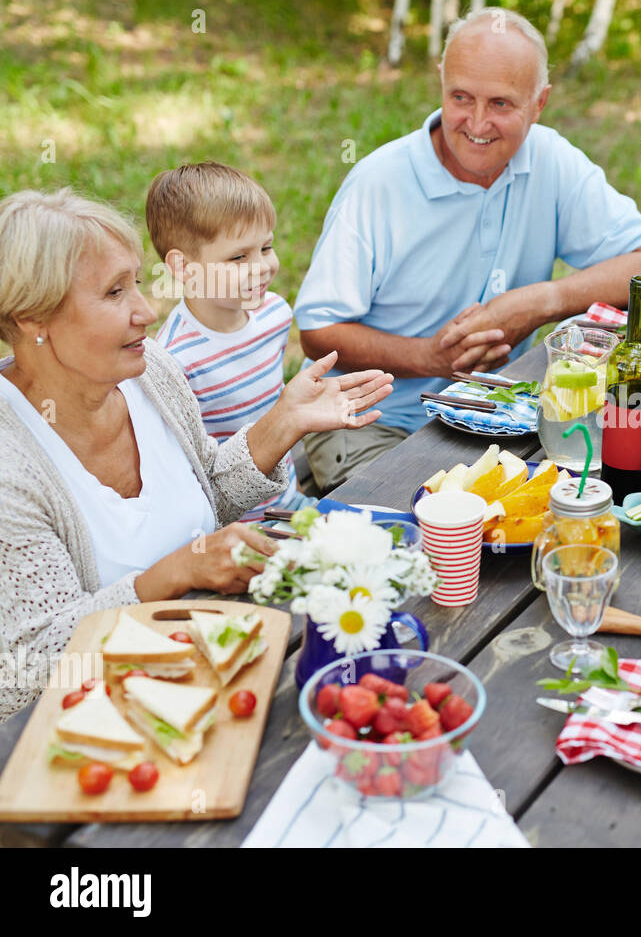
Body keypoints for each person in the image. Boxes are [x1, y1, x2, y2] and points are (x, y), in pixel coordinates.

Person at [0, 189, 394, 722]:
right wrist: (173, 574)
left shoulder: (151, 373)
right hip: (97, 726)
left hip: (220, 672)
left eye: (136, 283)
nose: (146, 311)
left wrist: (282, 424)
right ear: (31, 319)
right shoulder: (12, 465)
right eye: (115, 293)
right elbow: (25, 668)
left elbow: (210, 490)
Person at [293, 7, 641, 493]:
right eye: (461, 97)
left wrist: (539, 302)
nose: (477, 123)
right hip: (372, 420)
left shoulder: (550, 159)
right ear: (441, 82)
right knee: (419, 537)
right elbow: (317, 332)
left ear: (539, 103)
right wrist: (431, 358)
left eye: (501, 103)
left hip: (499, 418)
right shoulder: (378, 183)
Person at [148, 161, 315, 519]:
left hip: (288, 504)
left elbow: (272, 417)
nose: (261, 266)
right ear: (182, 267)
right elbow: (186, 473)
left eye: (266, 248)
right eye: (238, 256)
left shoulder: (275, 315)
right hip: (231, 529)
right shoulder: (174, 361)